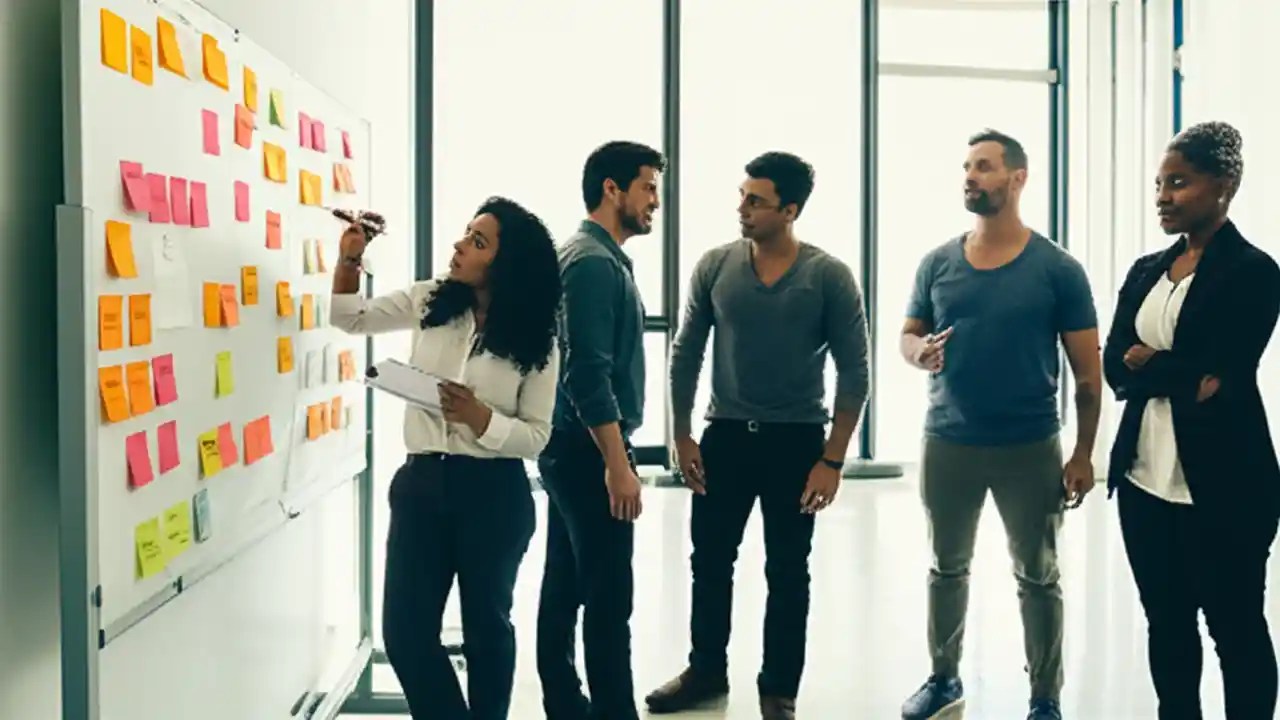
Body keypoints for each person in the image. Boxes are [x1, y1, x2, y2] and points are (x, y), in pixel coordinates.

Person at [644, 151, 869, 720]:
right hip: (725, 438)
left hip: (797, 443)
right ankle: (705, 671)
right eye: (742, 196)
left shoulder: (828, 276)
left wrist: (833, 460)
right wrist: (682, 435)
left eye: (756, 200)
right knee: (710, 561)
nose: (741, 208)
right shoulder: (716, 266)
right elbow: (686, 353)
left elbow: (855, 373)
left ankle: (778, 689)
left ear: (789, 210)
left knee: (788, 570)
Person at [329, 197, 562, 720]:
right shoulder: (431, 299)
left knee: (487, 631)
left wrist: (483, 420)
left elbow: (539, 435)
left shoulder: (538, 338)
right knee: (406, 634)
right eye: (466, 234)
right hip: (421, 484)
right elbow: (349, 318)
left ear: (507, 262)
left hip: (494, 493)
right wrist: (350, 259)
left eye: (478, 242)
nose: (460, 245)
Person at [898, 130, 1102, 720]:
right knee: (945, 567)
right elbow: (907, 336)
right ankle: (943, 680)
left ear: (1018, 179)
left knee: (1038, 576)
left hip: (1029, 445)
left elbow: (1088, 377)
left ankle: (1045, 698)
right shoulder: (937, 262)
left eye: (984, 167)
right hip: (949, 441)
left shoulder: (1058, 269)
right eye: (966, 166)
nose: (970, 176)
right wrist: (919, 353)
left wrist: (1083, 453)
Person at [1103, 121, 1280, 719]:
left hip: (1226, 486)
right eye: (1159, 184)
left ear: (1223, 187)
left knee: (1235, 631)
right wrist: (1169, 370)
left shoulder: (1255, 273)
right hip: (1144, 483)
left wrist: (1154, 366)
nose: (1162, 196)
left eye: (1178, 183)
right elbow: (1114, 364)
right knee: (1167, 625)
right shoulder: (1146, 269)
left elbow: (1220, 380)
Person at [535, 140, 664, 720]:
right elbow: (588, 372)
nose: (655, 201)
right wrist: (618, 462)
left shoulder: (595, 256)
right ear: (612, 190)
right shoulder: (591, 263)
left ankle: (567, 707)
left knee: (566, 586)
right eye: (648, 187)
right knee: (609, 598)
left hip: (573, 445)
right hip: (589, 448)